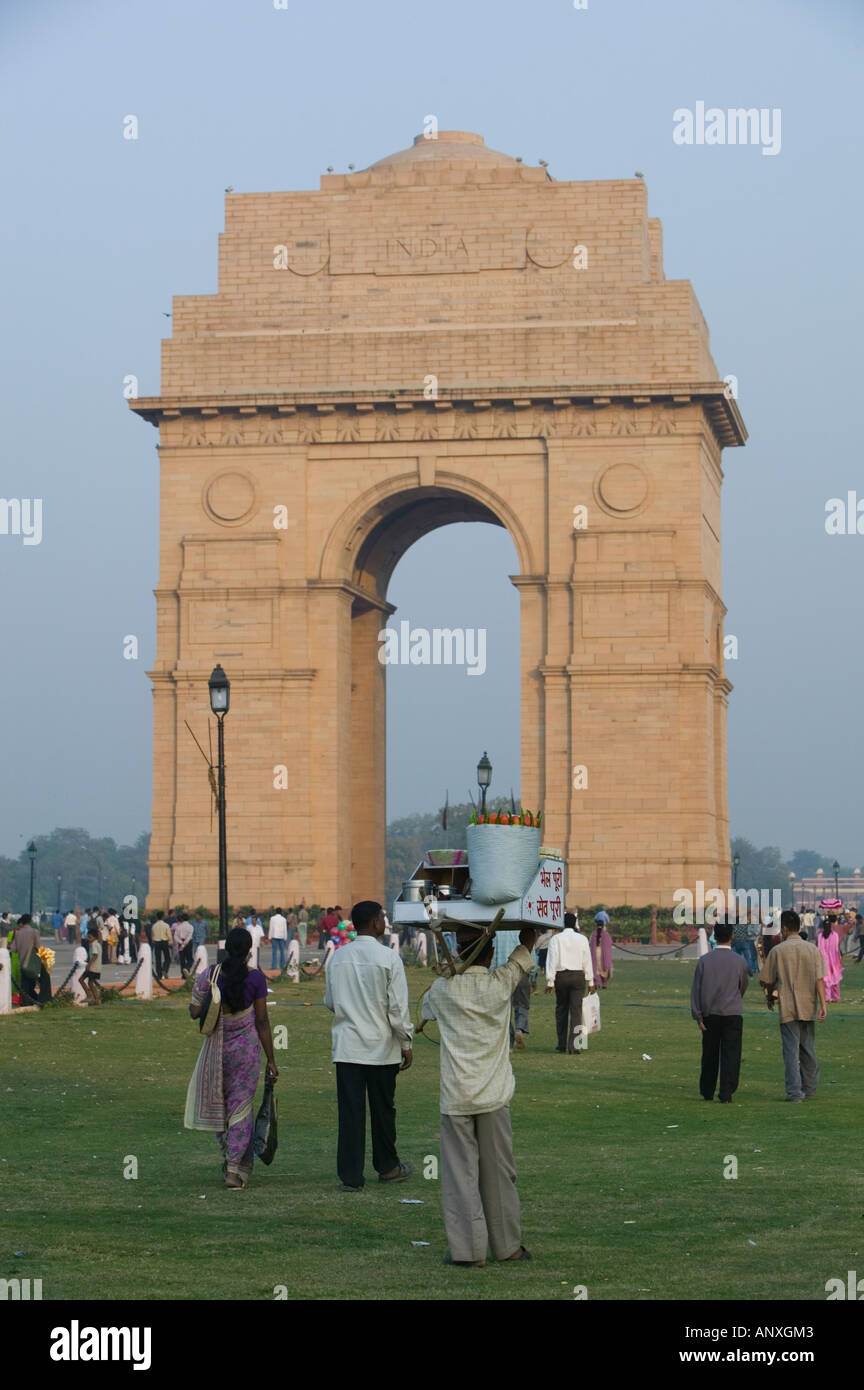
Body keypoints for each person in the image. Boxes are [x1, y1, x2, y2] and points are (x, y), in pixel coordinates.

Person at [421, 925, 538, 1266]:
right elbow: (522, 955)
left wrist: (448, 971)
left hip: (456, 1097)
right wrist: (528, 935)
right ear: (488, 954)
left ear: (458, 951)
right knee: (499, 1174)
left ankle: (468, 1252)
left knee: (460, 1176)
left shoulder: (443, 989)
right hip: (493, 1096)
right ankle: (508, 1248)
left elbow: (426, 1010)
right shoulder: (499, 984)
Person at [323, 900, 413, 1192]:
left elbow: (330, 1002)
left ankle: (351, 1176)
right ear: (375, 922)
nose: (385, 922)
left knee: (350, 1113)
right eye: (383, 918)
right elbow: (398, 1008)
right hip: (381, 1047)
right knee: (383, 1111)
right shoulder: (389, 958)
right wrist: (406, 1041)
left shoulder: (338, 958)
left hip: (348, 1047)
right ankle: (387, 1167)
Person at [186, 926, 278, 1190]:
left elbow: (194, 1012)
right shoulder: (257, 979)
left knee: (222, 1108)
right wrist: (271, 1059)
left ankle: (229, 1160)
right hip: (246, 1052)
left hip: (217, 1050)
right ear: (250, 950)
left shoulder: (210, 975)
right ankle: (235, 1170)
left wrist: (209, 1000)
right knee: (241, 1108)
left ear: (226, 949)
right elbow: (262, 1021)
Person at [759, 909, 827, 1102]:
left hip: (788, 1006)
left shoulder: (778, 951)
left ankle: (795, 1093)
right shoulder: (812, 949)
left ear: (786, 928)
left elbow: (766, 979)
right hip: (809, 1005)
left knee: (791, 1051)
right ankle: (810, 1088)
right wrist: (823, 1005)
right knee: (808, 1048)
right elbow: (819, 980)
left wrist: (771, 995)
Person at [690, 918, 749, 1102]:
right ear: (731, 936)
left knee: (710, 1054)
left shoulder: (704, 961)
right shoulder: (739, 961)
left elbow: (696, 990)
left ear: (715, 935)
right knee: (731, 1054)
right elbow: (743, 986)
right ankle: (726, 1091)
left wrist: (698, 1015)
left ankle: (707, 1090)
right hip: (732, 1012)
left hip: (710, 1013)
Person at [546, 911, 595, 1054]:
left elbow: (551, 961)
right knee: (576, 1011)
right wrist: (590, 981)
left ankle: (561, 1044)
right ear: (575, 924)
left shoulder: (556, 939)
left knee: (561, 1010)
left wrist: (550, 981)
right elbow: (587, 961)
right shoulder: (582, 939)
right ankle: (574, 1046)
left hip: (561, 976)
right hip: (578, 976)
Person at [816, 917, 843, 1002]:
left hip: (823, 960)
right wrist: (840, 957)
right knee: (835, 977)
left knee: (826, 978)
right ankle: (835, 997)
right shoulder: (834, 934)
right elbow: (837, 947)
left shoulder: (820, 936)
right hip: (834, 960)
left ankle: (827, 997)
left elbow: (817, 948)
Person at [590, 917, 614, 988]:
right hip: (604, 954)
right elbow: (610, 942)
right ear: (603, 926)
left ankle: (597, 983)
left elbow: (590, 943)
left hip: (595, 953)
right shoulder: (606, 934)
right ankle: (604, 983)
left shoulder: (593, 933)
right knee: (604, 969)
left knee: (596, 968)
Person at [151, 911, 172, 980]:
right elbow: (169, 935)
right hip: (164, 942)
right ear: (163, 917)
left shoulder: (154, 926)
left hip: (157, 943)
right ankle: (165, 970)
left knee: (158, 959)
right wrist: (171, 942)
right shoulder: (166, 925)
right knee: (167, 958)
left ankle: (159, 974)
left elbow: (152, 935)